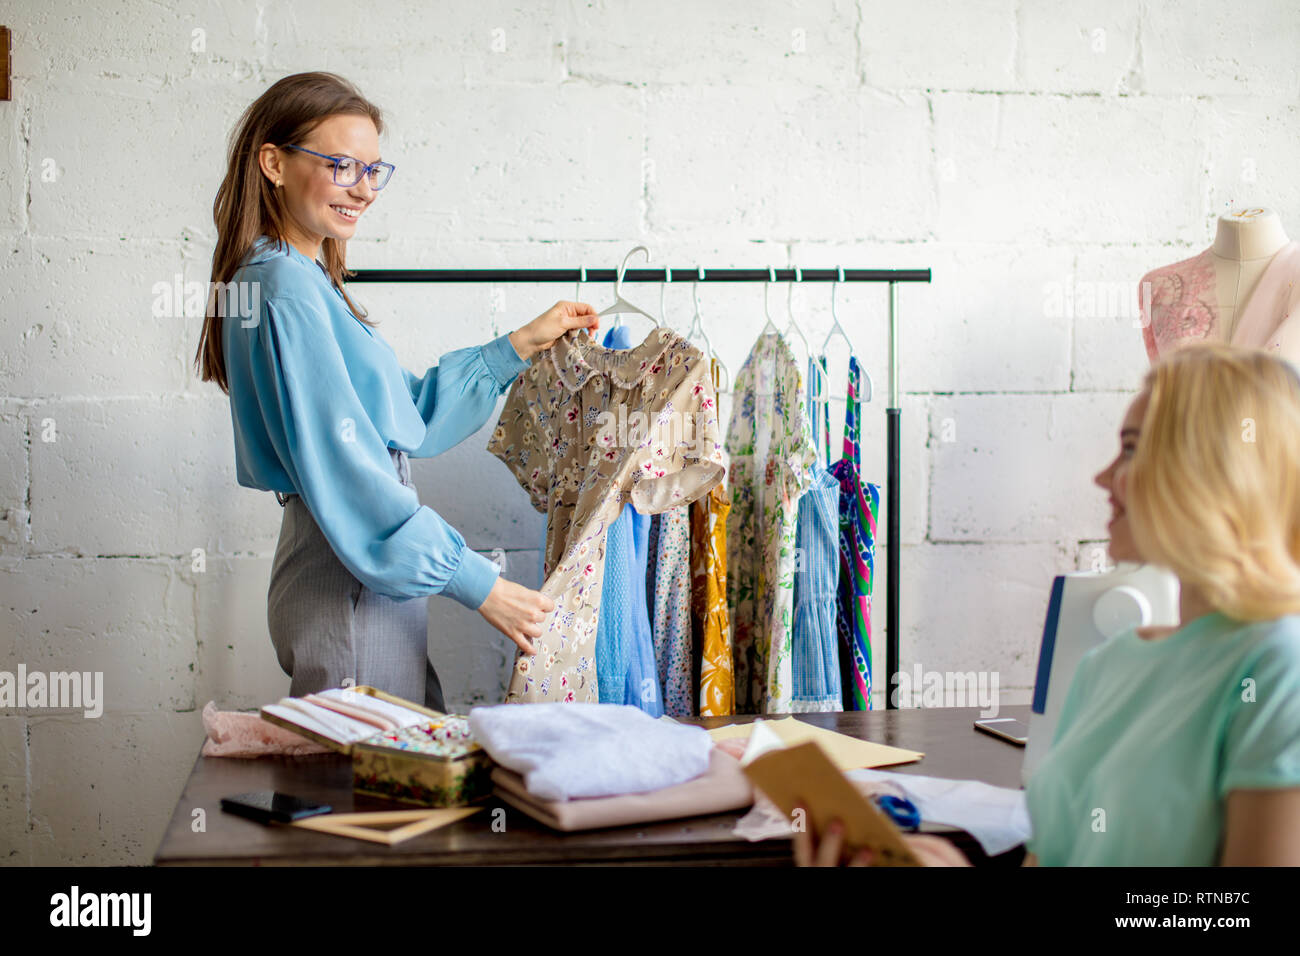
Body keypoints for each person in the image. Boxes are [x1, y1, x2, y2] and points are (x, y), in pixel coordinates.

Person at [795, 342, 1300, 866]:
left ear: (1216, 470)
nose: (1102, 478)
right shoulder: (1106, 666)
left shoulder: (1278, 667)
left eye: (1130, 449)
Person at [193, 72, 598, 710]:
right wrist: (478, 582)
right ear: (273, 162)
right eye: (343, 165)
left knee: (379, 782)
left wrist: (518, 344)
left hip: (356, 566)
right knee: (363, 795)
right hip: (350, 565)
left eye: (375, 170)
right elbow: (349, 470)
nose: (364, 188)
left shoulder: (295, 279)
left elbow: (406, 416)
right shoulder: (286, 288)